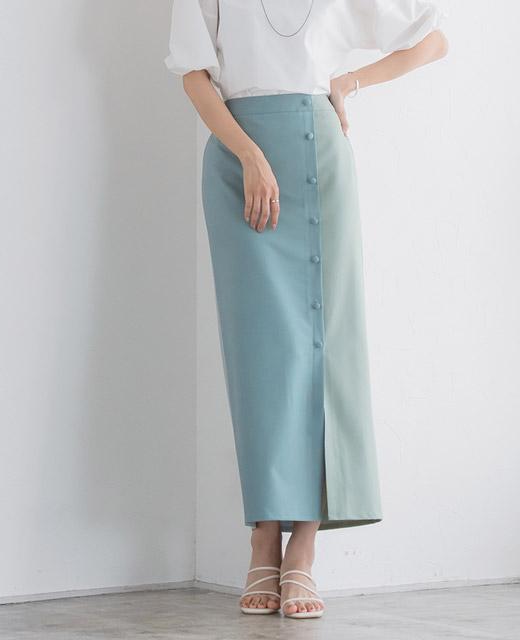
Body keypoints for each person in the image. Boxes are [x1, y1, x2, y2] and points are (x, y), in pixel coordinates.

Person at [165, 0, 448, 620]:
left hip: (318, 155)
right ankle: (263, 536)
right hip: (240, 161)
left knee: (323, 347)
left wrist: (349, 83)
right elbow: (194, 75)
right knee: (261, 356)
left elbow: (432, 40)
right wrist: (248, 154)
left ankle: (303, 549)